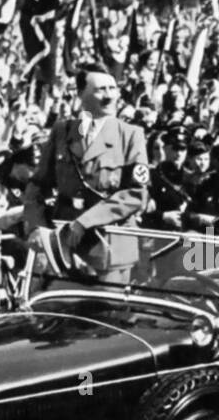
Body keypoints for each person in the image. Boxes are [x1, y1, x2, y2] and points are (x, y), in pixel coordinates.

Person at [22, 62, 150, 282]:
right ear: (81, 93)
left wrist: (85, 221)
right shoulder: (62, 131)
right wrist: (36, 227)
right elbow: (37, 186)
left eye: (112, 89)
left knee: (103, 313)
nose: (109, 96)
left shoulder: (130, 135)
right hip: (64, 250)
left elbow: (136, 194)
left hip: (109, 250)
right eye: (100, 90)